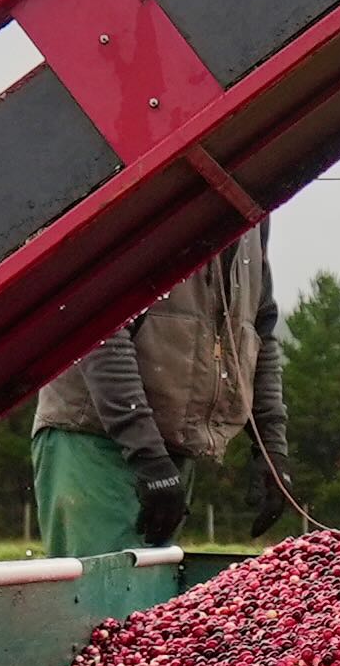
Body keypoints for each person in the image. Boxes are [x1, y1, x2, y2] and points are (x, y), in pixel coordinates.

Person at [31, 225, 290, 554]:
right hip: (95, 439)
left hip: (171, 451)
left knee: (151, 602)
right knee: (102, 600)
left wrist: (271, 450)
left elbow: (258, 327)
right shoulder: (156, 189)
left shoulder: (253, 210)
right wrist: (148, 457)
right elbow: (101, 327)